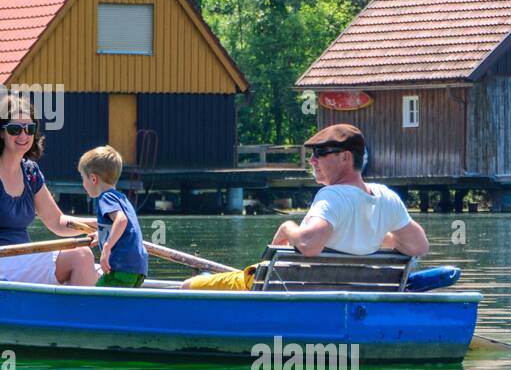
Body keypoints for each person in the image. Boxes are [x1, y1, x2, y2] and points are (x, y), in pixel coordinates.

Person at [183, 124, 428, 290]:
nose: (312, 160)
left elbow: (310, 245)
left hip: (291, 287)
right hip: (350, 292)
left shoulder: (332, 196)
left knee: (187, 286)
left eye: (320, 153)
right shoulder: (387, 197)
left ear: (345, 157)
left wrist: (287, 228)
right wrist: (374, 237)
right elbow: (418, 246)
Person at [0, 95, 98, 285]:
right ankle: (79, 314)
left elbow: (57, 221)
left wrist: (98, 225)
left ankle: (77, 312)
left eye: (29, 129)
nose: (23, 136)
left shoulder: (31, 172)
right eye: (15, 129)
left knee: (94, 267)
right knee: (81, 255)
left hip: (24, 259)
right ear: (0, 132)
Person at [78, 146, 149, 287]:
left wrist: (107, 246)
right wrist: (102, 235)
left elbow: (121, 220)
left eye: (82, 178)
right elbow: (124, 228)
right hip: (137, 267)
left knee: (97, 302)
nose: (82, 184)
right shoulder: (121, 198)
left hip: (121, 267)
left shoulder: (105, 198)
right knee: (120, 307)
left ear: (93, 179)